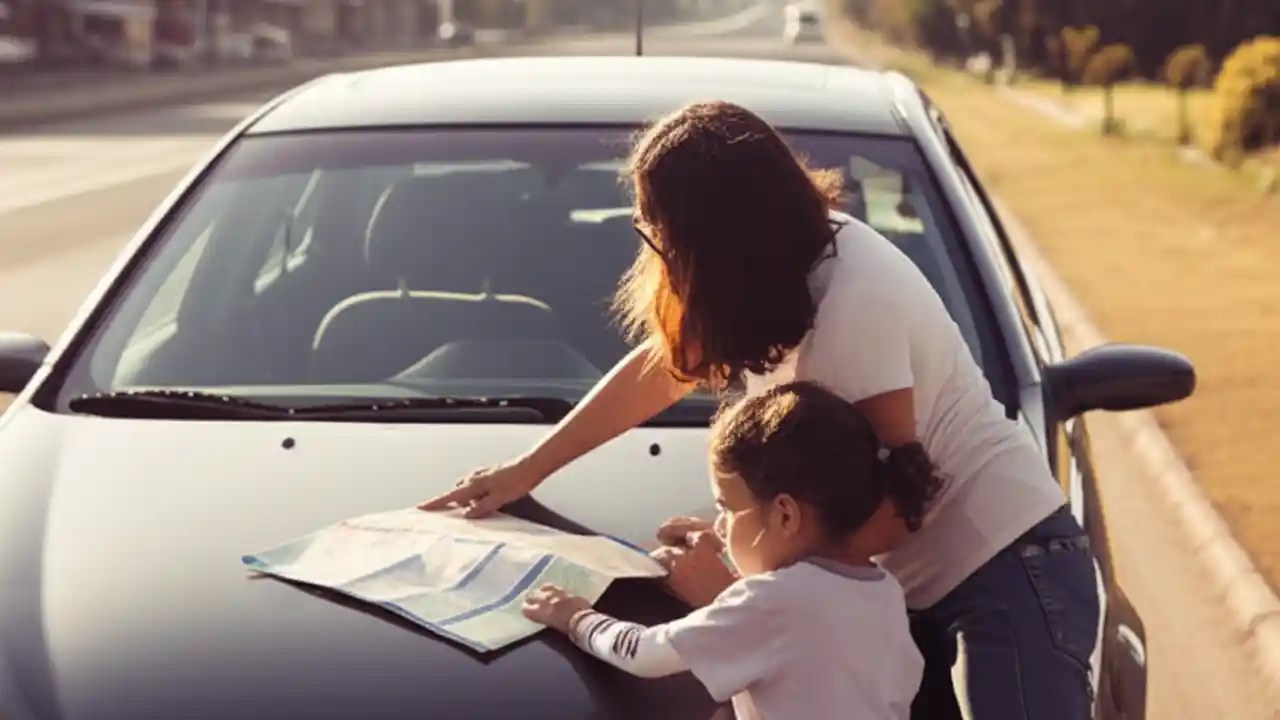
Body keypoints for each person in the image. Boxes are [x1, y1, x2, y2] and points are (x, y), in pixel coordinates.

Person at [423, 100, 1099, 719]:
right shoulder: (769, 274)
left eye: (661, 233)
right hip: (889, 589)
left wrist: (738, 581)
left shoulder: (852, 305)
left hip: (1005, 562)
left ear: (715, 235)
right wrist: (528, 470)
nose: (657, 253)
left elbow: (902, 500)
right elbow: (666, 368)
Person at [523, 382, 934, 720]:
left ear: (785, 516)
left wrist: (575, 617)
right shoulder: (884, 592)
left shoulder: (772, 601)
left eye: (726, 508)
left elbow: (644, 653)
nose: (720, 525)